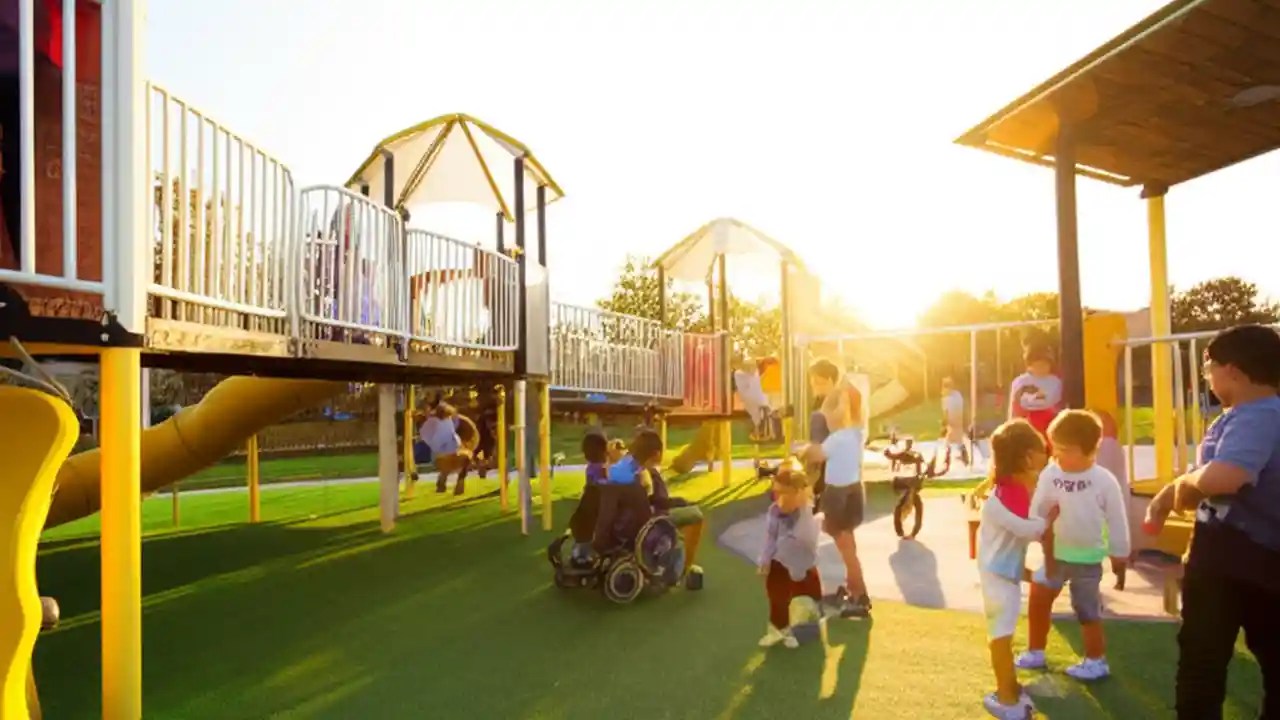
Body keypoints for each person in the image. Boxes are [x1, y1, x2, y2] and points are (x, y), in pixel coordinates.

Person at [1144, 324, 1280, 719]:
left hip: (1236, 559)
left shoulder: (1258, 415)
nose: (1209, 378)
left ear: (1233, 371)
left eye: (1210, 369)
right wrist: (1164, 500)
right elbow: (1206, 470)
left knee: (1203, 664)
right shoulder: (1246, 416)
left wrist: (1187, 486)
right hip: (1249, 559)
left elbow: (1226, 475)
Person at [1017, 410, 1130, 681]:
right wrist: (1036, 528)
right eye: (1054, 447)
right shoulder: (1051, 474)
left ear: (1091, 450)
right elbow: (1039, 507)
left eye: (1065, 449)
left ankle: (1095, 660)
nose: (1057, 454)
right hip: (1055, 554)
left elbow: (1117, 519)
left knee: (1087, 610)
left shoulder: (1103, 480)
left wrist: (1119, 554)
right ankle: (1035, 652)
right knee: (1039, 597)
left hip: (1087, 558)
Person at [977, 419, 1055, 719]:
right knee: (1000, 638)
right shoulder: (999, 499)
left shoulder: (1020, 487)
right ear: (1026, 456)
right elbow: (1026, 529)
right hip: (997, 577)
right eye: (1041, 448)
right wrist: (1047, 521)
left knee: (1003, 635)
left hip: (1005, 573)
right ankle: (1008, 702)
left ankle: (1008, 690)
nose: (1046, 453)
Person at [804, 360, 871, 618]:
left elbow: (816, 454)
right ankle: (853, 589)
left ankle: (860, 595)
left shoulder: (837, 437)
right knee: (848, 544)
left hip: (838, 492)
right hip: (854, 489)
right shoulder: (857, 433)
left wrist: (800, 450)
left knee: (843, 543)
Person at [758, 458, 822, 649]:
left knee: (806, 599)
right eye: (775, 493)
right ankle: (779, 629)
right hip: (781, 559)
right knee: (776, 593)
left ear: (798, 493)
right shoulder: (774, 511)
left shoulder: (806, 514)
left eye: (783, 493)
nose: (778, 498)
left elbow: (806, 541)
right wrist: (765, 559)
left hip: (804, 561)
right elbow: (770, 537)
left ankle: (801, 632)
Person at [1008, 340, 1062, 445]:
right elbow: (1015, 407)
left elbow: (1058, 406)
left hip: (1049, 424)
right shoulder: (1020, 382)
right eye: (1038, 365)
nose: (1042, 368)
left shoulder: (1055, 382)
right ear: (1029, 365)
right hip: (1027, 422)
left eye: (1045, 365)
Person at [941, 377, 969, 466]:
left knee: (949, 441)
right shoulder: (957, 395)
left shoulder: (946, 399)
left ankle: (947, 458)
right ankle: (963, 456)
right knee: (957, 440)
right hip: (959, 419)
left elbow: (946, 412)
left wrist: (944, 423)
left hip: (952, 421)